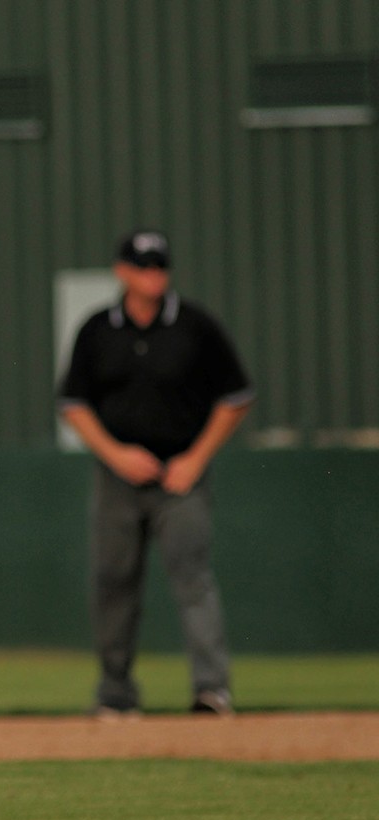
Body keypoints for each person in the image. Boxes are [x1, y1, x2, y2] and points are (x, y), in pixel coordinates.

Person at [57, 229, 254, 719]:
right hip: (118, 478)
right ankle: (115, 693)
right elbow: (73, 403)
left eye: (159, 267)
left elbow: (235, 398)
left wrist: (196, 458)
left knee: (193, 579)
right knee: (113, 579)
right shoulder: (99, 329)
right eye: (142, 267)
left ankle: (212, 691)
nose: (152, 276)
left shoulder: (195, 327)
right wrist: (114, 452)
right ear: (122, 271)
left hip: (179, 476)